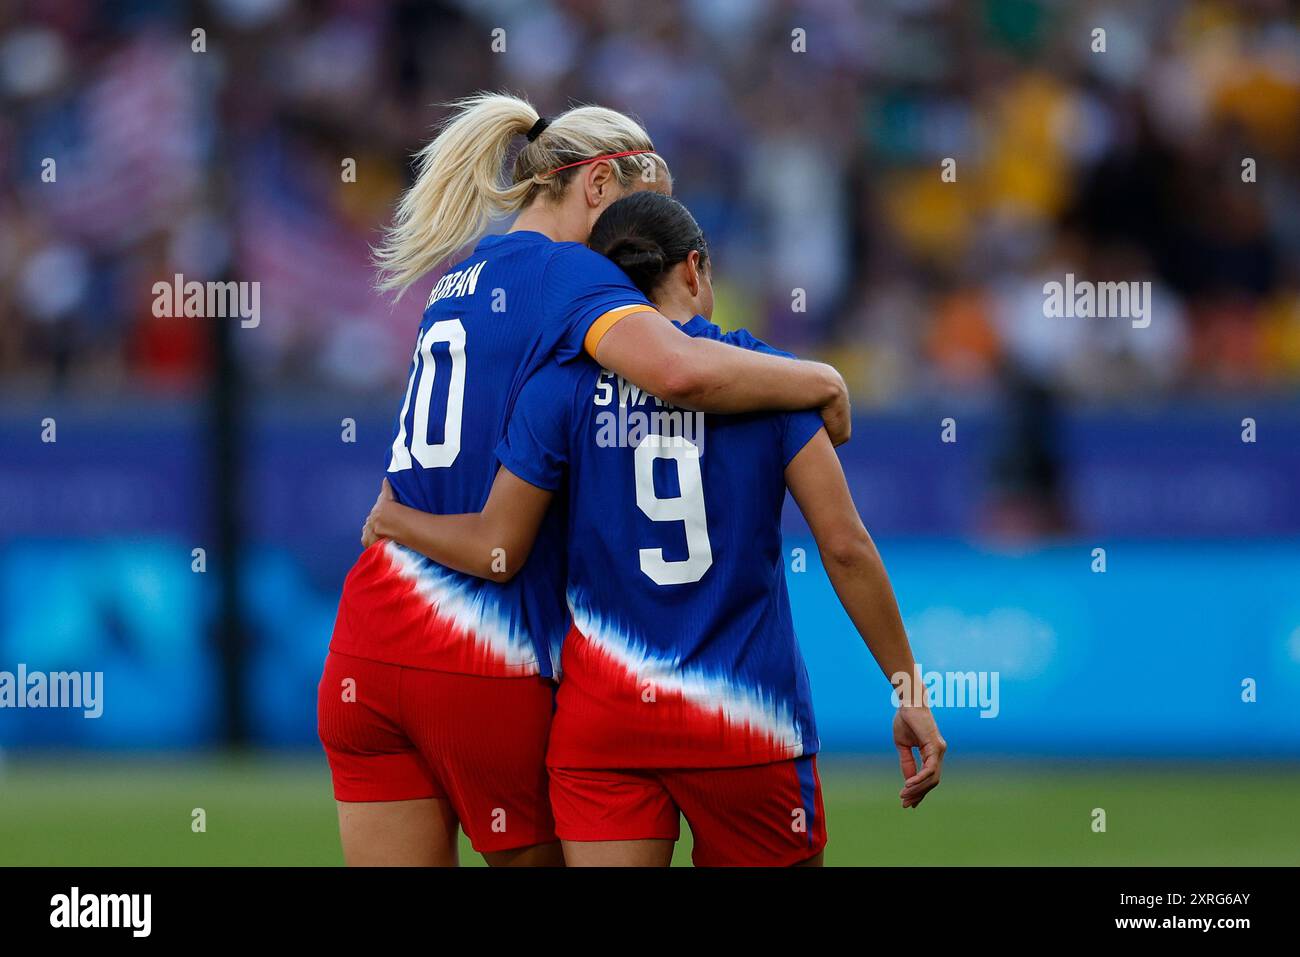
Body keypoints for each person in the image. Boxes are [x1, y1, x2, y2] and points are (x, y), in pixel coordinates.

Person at [317, 93, 851, 867]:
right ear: (597, 184)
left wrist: (395, 522)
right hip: (481, 647)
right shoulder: (571, 275)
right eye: (637, 212)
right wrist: (820, 378)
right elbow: (678, 371)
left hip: (366, 645)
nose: (635, 259)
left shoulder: (460, 277)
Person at [362, 192, 945, 866]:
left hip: (606, 727)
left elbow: (500, 543)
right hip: (747, 722)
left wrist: (397, 517)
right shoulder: (776, 384)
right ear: (693, 270)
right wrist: (908, 689)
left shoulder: (561, 389)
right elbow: (845, 547)